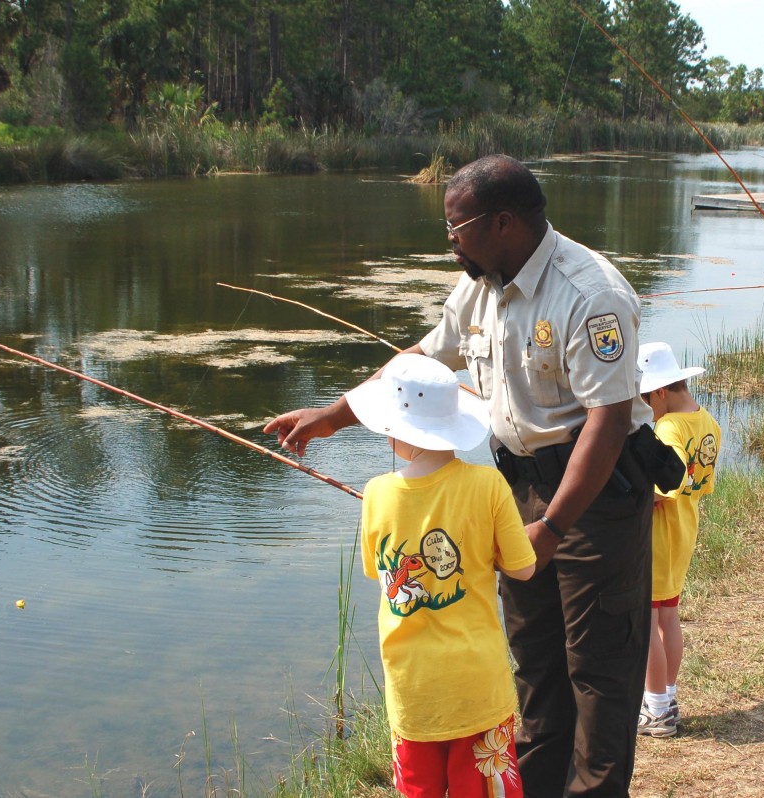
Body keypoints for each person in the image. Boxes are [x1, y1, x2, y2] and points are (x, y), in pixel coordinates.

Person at [265, 154, 658, 797]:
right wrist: (334, 416)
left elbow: (608, 422)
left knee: (599, 668)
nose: (449, 241)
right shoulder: (480, 285)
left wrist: (553, 527)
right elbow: (420, 360)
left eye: (456, 227)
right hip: (517, 486)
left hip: (593, 494)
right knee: (535, 662)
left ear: (503, 222)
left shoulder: (591, 294)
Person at [347, 353, 536, 798]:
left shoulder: (376, 494)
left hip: (412, 692)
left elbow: (378, 571)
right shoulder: (488, 485)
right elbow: (524, 568)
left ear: (395, 430)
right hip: (478, 687)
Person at [634, 342, 721, 740]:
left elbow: (663, 487)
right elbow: (699, 483)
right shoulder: (707, 421)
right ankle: (667, 698)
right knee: (669, 617)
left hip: (659, 536)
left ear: (659, 392)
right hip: (684, 530)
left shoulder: (668, 428)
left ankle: (655, 710)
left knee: (647, 622)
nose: (643, 409)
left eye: (643, 399)